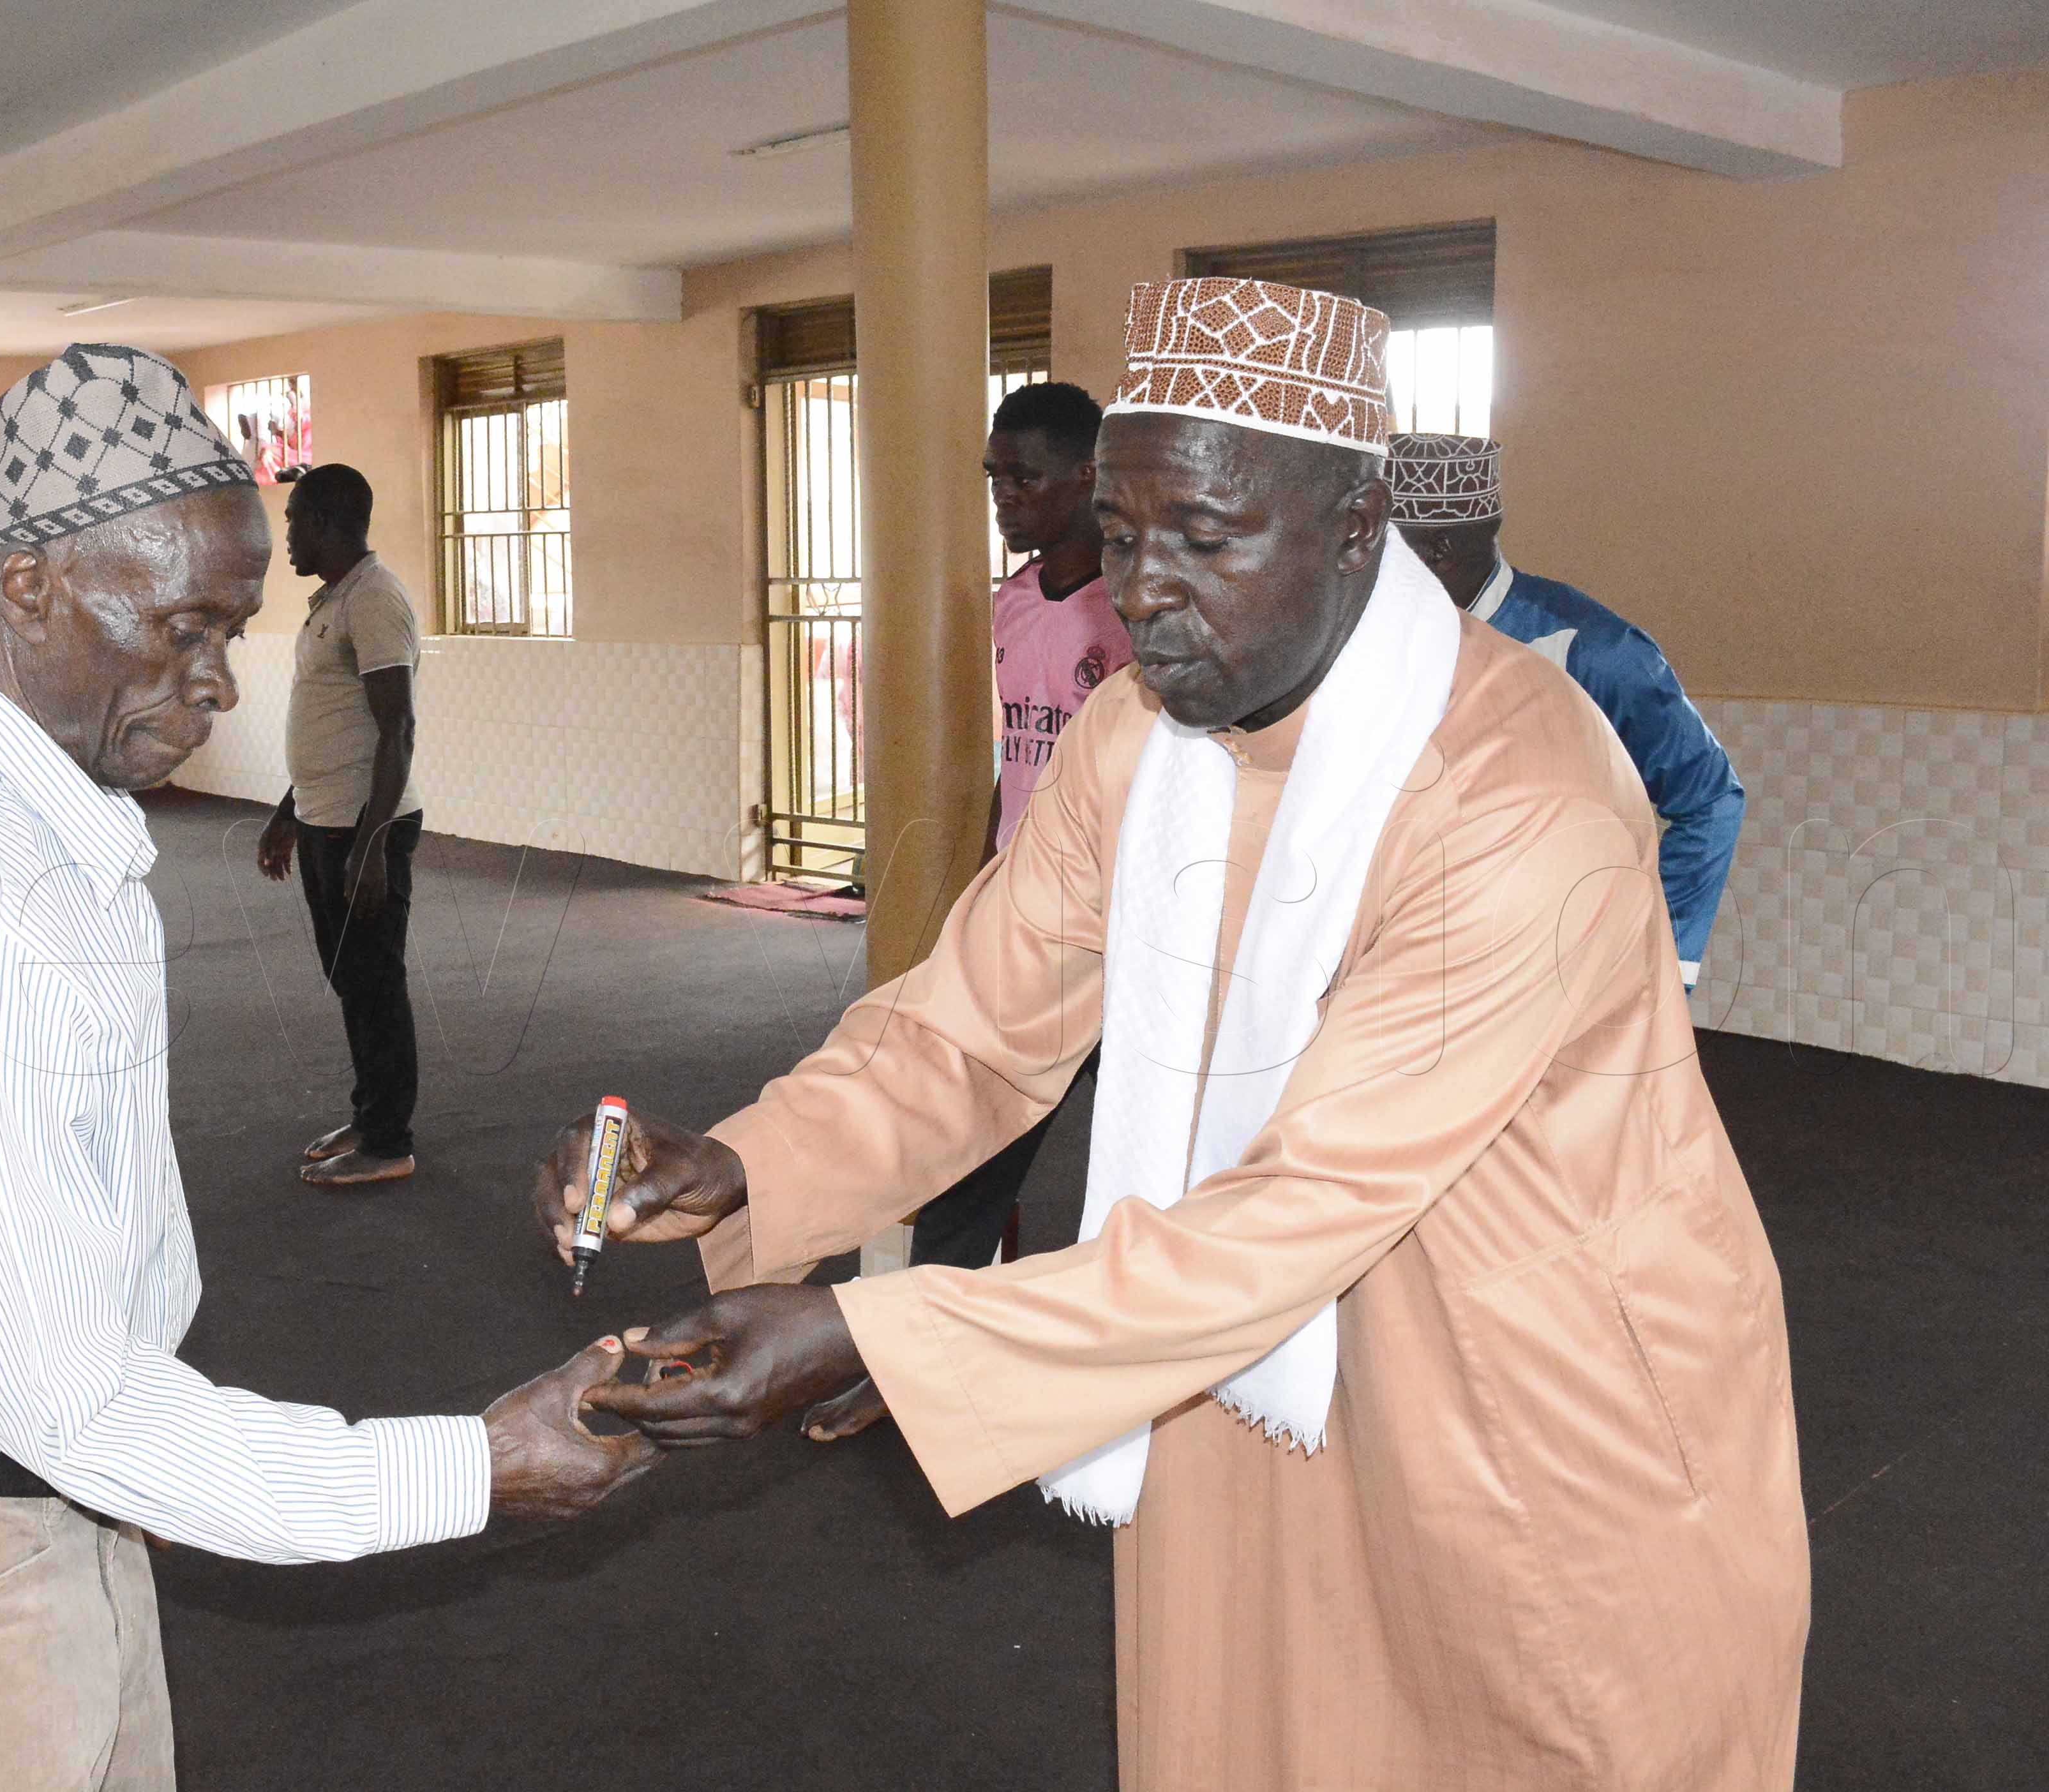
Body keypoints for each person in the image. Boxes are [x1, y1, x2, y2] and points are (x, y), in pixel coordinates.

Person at [539, 280, 1808, 1789]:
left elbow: (1306, 1206)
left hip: (1520, 1417)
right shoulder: (1138, 735)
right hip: (1218, 1370)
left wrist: (877, 1327)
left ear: (1354, 532)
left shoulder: (1514, 794)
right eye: (1126, 537)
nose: (1142, 592)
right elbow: (976, 1023)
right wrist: (749, 1166)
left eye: (1206, 540)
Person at [0, 346, 654, 1792]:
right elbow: (64, 1396)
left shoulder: (35, 826)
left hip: (49, 1500)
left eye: (236, 628)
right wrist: (474, 1465)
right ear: (28, 583)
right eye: (182, 626)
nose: (218, 682)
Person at [802, 379, 1132, 1442]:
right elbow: (1014, 762)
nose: (1005, 498)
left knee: (1156, 1167)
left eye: (1025, 477)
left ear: (1089, 476)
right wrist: (988, 876)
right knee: (969, 1149)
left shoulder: (1141, 608)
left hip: (1142, 942)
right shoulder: (1014, 603)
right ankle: (912, 1367)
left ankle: (1139, 1384)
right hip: (1034, 925)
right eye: (995, 477)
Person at [1392, 431, 1745, 987]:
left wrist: (1655, 970)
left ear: (1435, 551)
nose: (1355, 566)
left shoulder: (1593, 649)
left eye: (1378, 549)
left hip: (1552, 974)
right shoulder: (1377, 645)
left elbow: (1711, 801)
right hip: (1411, 968)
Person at [255, 463, 424, 1187]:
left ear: (325, 521)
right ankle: (367, 1117)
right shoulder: (334, 599)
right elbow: (333, 725)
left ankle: (389, 1143)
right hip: (326, 822)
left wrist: (373, 843)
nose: (285, 532)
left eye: (292, 517)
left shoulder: (375, 601)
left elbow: (397, 728)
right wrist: (286, 812)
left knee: (374, 982)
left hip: (363, 830)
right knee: (351, 979)